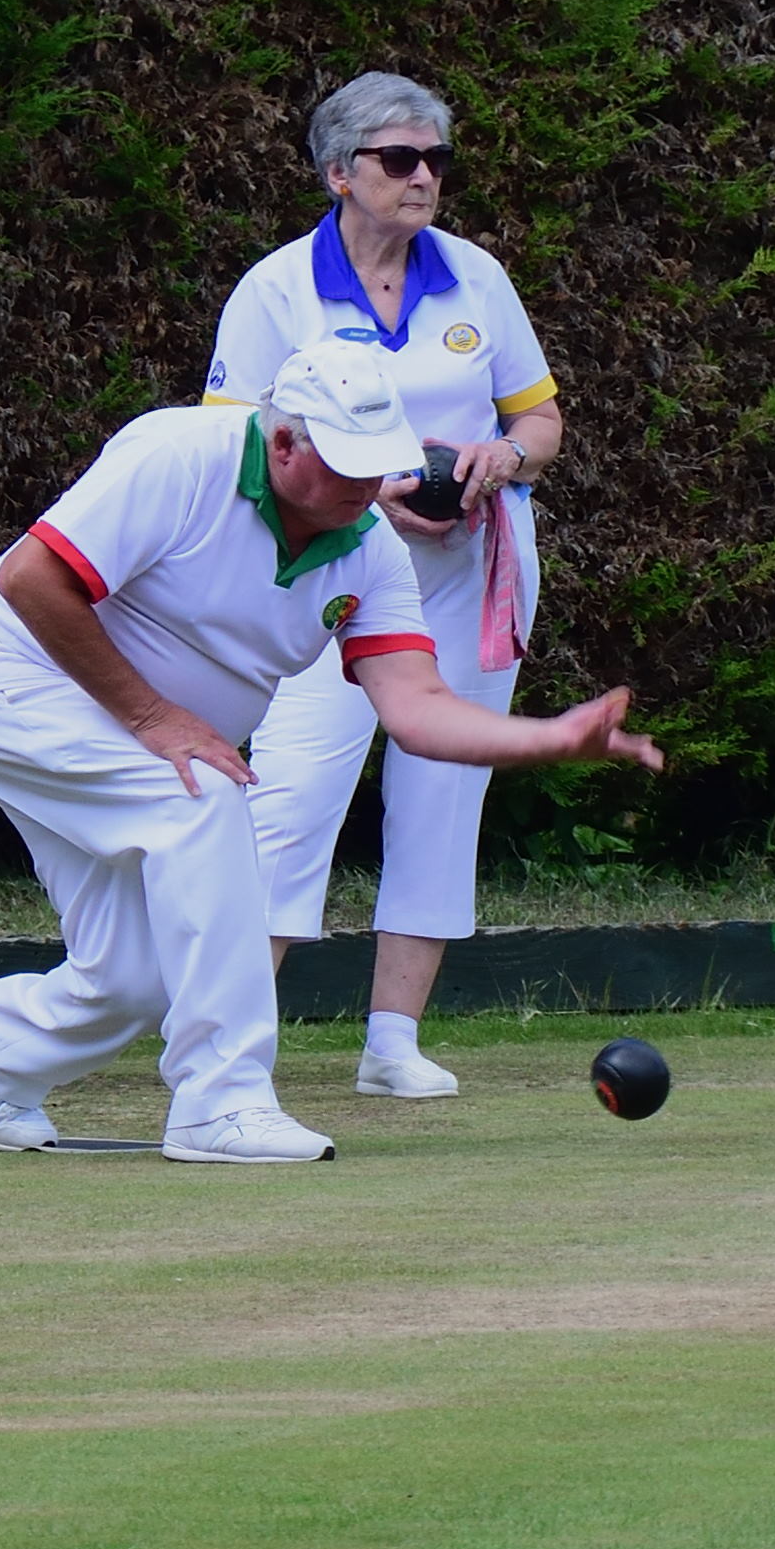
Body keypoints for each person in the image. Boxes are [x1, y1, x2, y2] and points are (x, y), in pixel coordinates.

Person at [0, 348, 656, 1162]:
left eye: (377, 467)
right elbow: (33, 579)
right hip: (0, 681)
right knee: (202, 799)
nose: (362, 488)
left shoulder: (369, 550)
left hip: (122, 732)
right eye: (343, 466)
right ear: (282, 446)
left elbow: (415, 709)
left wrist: (548, 738)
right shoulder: (181, 455)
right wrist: (156, 717)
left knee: (138, 977)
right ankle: (220, 1102)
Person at [204, 72, 563, 1100]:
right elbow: (233, 435)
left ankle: (391, 1041)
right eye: (397, 159)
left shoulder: (476, 278)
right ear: (337, 172)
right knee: (291, 792)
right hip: (326, 572)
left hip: (467, 576)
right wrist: (365, 494)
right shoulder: (277, 288)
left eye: (435, 160)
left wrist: (499, 459)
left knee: (443, 793)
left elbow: (541, 421)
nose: (421, 177)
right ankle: (233, 1040)